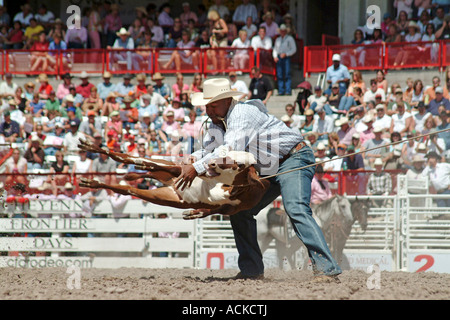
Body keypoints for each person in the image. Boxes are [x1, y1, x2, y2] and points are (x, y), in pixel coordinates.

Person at [180, 78, 341, 282]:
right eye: (207, 105)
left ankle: (326, 268)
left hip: (293, 157)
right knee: (239, 209)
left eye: (213, 105)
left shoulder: (240, 114)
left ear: (227, 100)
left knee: (295, 208)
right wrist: (194, 158)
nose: (208, 110)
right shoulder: (218, 122)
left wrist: (196, 167)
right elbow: (211, 150)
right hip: (269, 165)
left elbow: (226, 150)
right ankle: (251, 270)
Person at [273, 24, 296, 96]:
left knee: (287, 74)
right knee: (279, 74)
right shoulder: (278, 39)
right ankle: (281, 90)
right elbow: (275, 49)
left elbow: (294, 49)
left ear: (286, 31)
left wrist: (286, 54)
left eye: (284, 31)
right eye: (281, 31)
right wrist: (274, 56)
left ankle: (287, 90)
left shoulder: (290, 39)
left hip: (286, 57)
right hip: (279, 57)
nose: (282, 32)